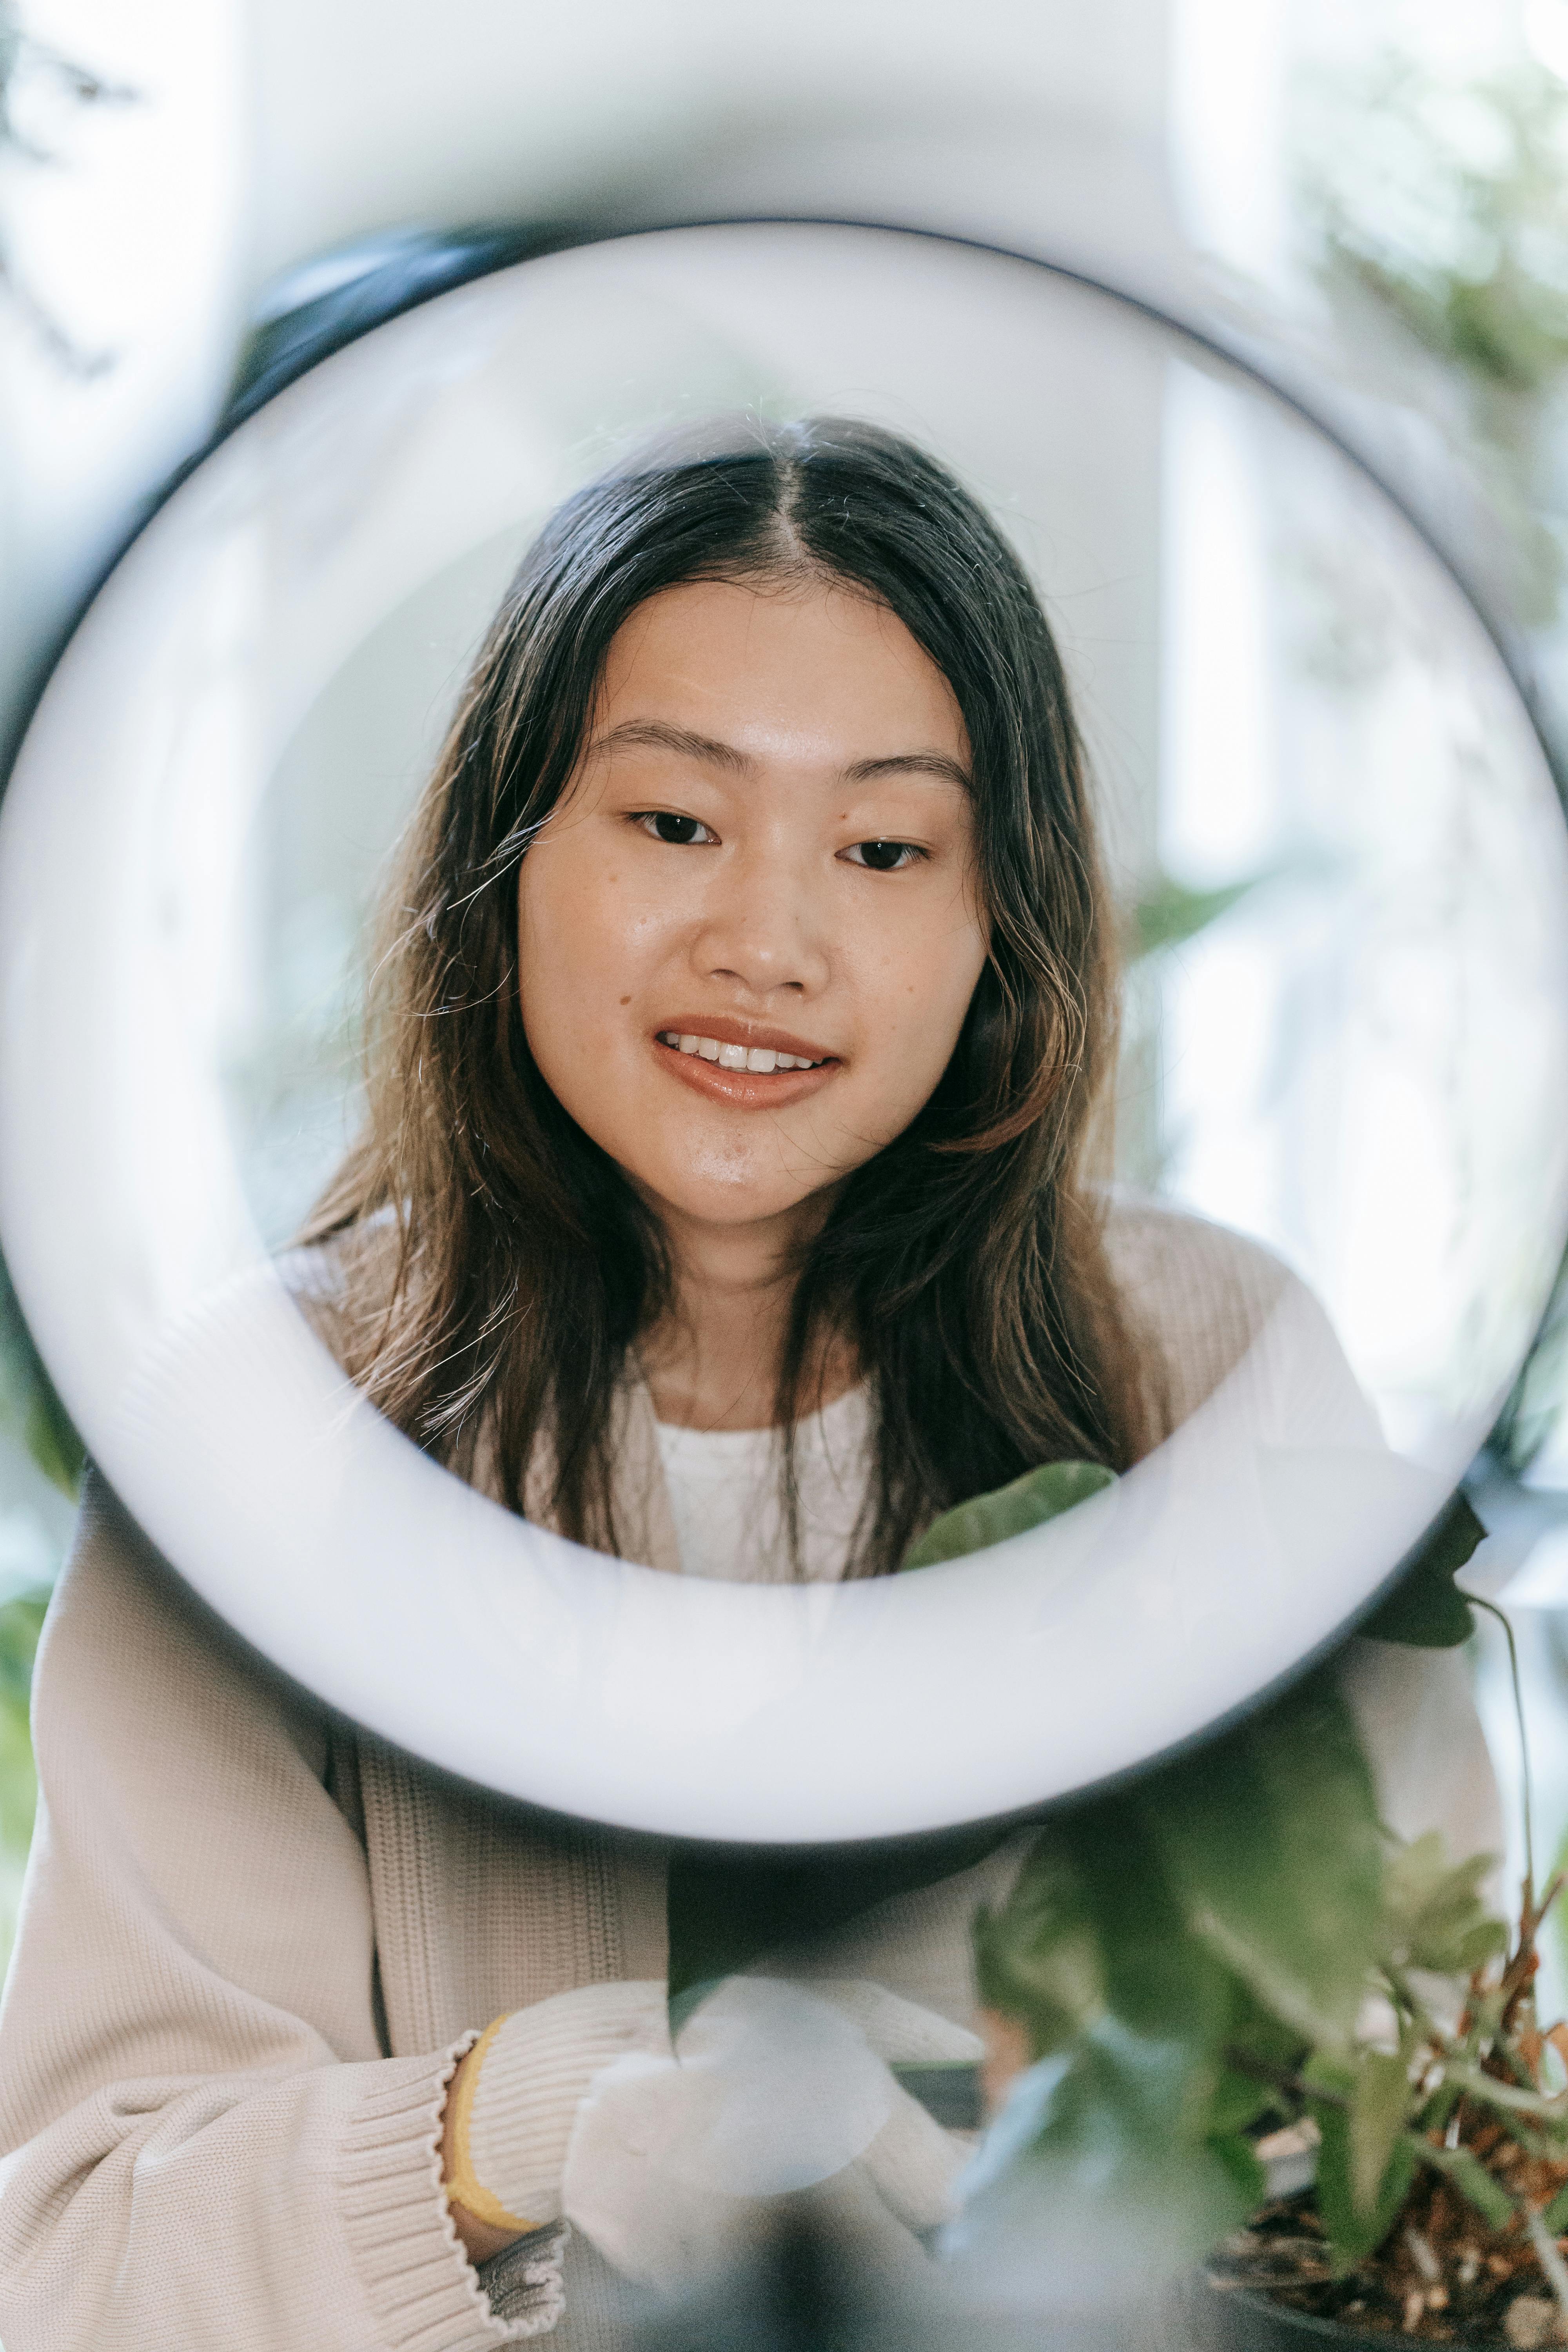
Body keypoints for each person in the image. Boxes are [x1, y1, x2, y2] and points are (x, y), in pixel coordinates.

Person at [0, 419, 1498, 2350]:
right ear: (510, 857)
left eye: (883, 848)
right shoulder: (258, 1430)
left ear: (995, 924)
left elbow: (1429, 2123)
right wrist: (545, 2108)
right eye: (673, 824)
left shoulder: (1215, 1371)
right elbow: (81, 2256)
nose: (766, 945)